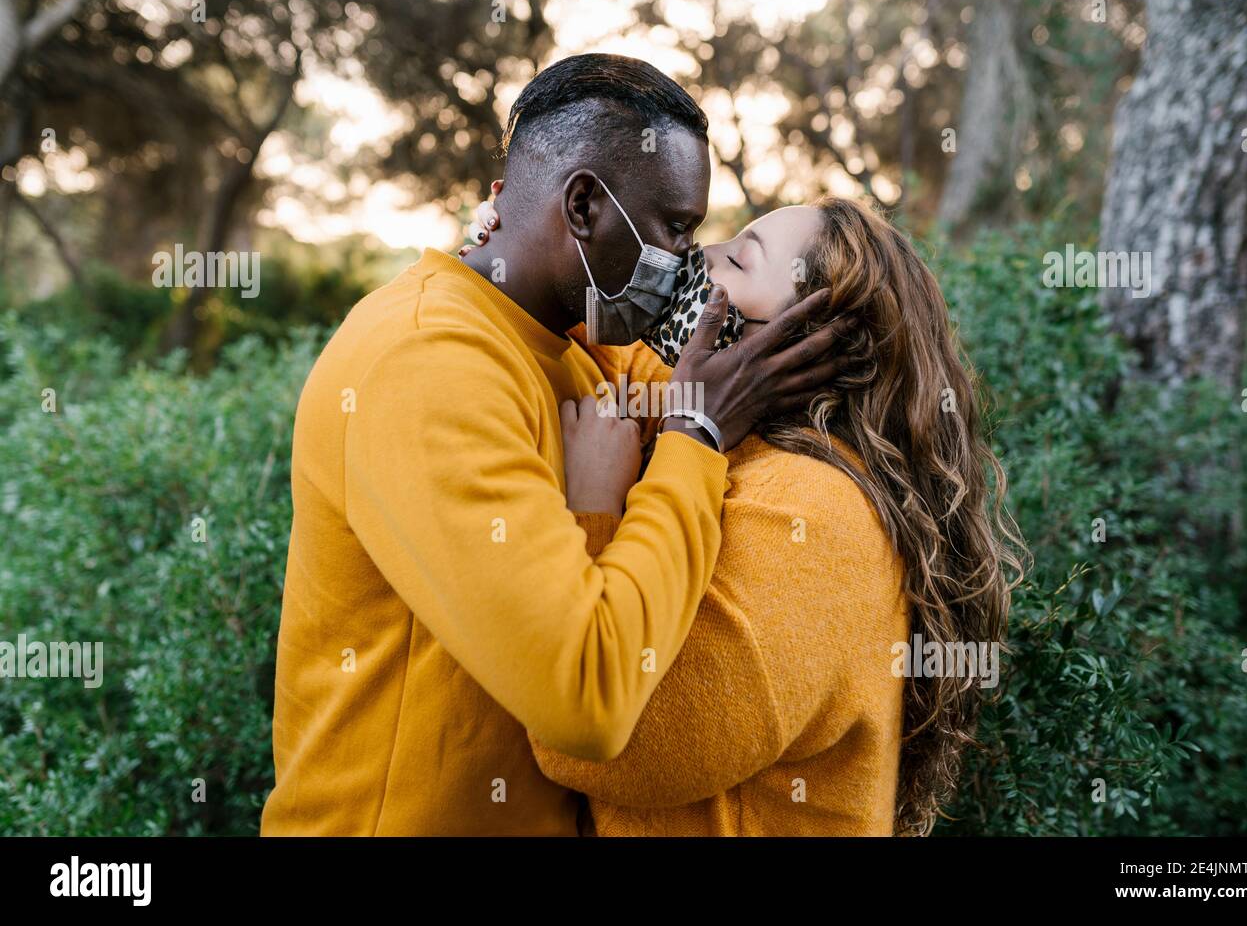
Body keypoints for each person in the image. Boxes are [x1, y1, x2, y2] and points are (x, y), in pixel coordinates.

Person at [260, 54, 845, 835]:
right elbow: (588, 696)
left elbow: (698, 369)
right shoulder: (424, 363)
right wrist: (694, 435)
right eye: (676, 228)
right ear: (582, 206)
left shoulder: (572, 345)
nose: (687, 265)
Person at [509, 198, 1026, 835]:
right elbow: (605, 346)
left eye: (738, 259)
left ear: (798, 345)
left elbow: (604, 745)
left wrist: (594, 510)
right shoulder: (746, 444)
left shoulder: (814, 516)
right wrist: (523, 239)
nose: (698, 258)